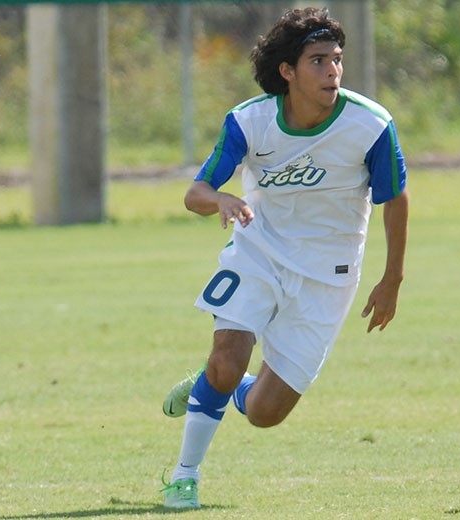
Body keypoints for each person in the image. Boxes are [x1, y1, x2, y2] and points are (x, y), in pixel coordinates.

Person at [159, 7, 409, 509]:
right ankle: (183, 475)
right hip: (259, 252)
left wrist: (391, 280)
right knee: (228, 359)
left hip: (328, 275)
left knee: (266, 412)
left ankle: (214, 383)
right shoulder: (249, 122)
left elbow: (395, 199)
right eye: (318, 61)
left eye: (337, 60)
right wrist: (222, 200)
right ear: (287, 72)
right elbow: (195, 192)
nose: (332, 71)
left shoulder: (371, 126)